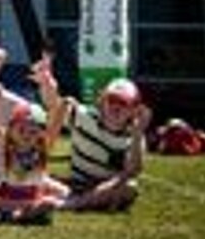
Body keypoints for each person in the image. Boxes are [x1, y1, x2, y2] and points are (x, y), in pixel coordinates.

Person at [38, 72, 151, 212]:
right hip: (73, 184)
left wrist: (138, 133)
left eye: (123, 103)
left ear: (133, 110)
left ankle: (72, 203)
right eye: (112, 100)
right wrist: (46, 82)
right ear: (101, 102)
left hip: (107, 187)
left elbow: (134, 170)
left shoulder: (135, 135)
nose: (116, 107)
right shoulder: (85, 116)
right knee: (35, 177)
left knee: (130, 187)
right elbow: (54, 105)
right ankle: (78, 201)